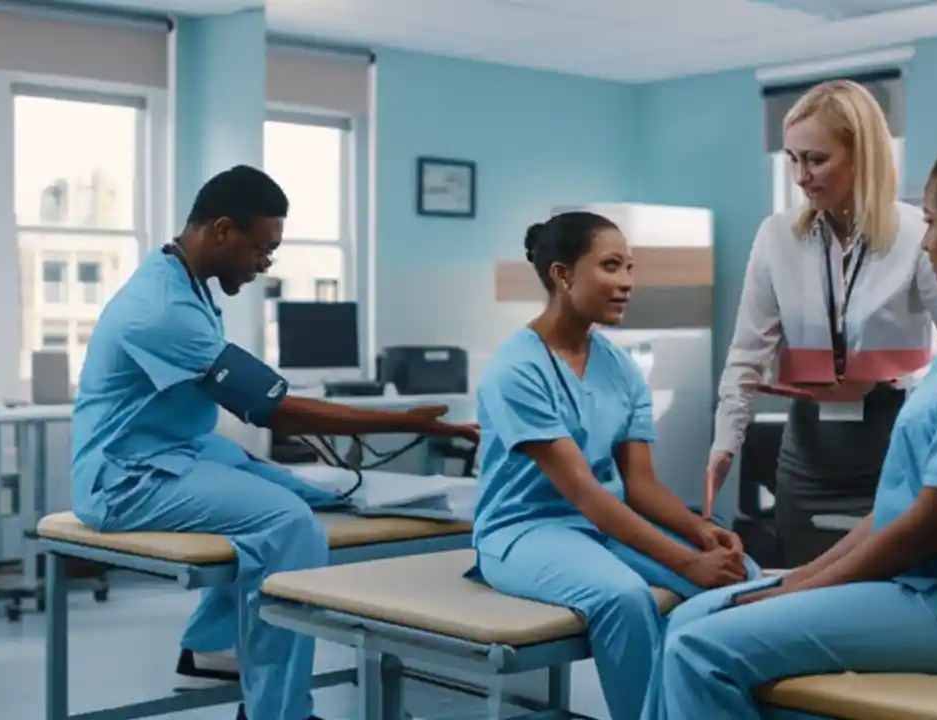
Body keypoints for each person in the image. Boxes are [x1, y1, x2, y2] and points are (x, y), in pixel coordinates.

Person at [642, 128, 937, 720]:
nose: (926, 242)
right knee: (687, 618)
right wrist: (796, 578)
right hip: (924, 588)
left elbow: (927, 530)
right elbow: (896, 510)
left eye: (933, 222)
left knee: (701, 648)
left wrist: (798, 591)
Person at [70, 165, 477, 720]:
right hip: (123, 480)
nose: (265, 264)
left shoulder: (183, 283)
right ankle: (276, 711)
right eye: (262, 249)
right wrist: (406, 421)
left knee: (308, 491)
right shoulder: (162, 310)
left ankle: (209, 647)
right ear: (221, 231)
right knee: (288, 524)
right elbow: (273, 407)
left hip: (175, 453)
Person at [471, 211, 764, 720]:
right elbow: (584, 492)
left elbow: (641, 485)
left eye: (630, 267)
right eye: (611, 266)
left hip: (605, 523)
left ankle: (692, 702)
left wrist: (700, 531)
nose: (627, 282)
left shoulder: (621, 368)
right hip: (525, 530)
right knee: (623, 598)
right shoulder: (516, 369)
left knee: (745, 579)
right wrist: (684, 561)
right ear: (562, 275)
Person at [704, 80, 937, 566]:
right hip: (807, 458)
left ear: (861, 155)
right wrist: (726, 441)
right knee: (803, 593)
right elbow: (747, 352)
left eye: (816, 159)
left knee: (881, 597)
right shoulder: (777, 237)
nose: (801, 176)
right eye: (792, 159)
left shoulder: (916, 234)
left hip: (894, 450)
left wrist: (894, 380)